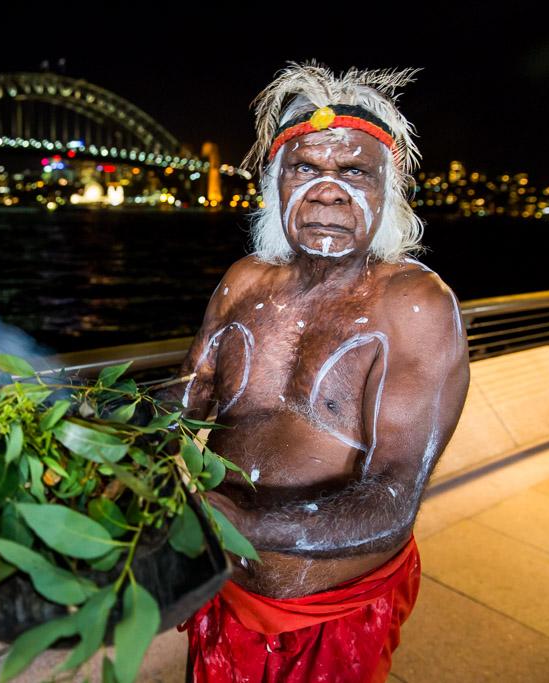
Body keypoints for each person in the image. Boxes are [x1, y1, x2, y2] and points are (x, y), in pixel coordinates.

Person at [161, 61, 471, 682]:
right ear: (277, 183)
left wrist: (240, 522)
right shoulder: (245, 280)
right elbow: (188, 396)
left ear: (387, 192)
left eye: (354, 172)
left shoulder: (414, 306)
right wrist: (98, 425)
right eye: (306, 169)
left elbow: (393, 500)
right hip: (226, 594)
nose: (328, 192)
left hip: (329, 616)